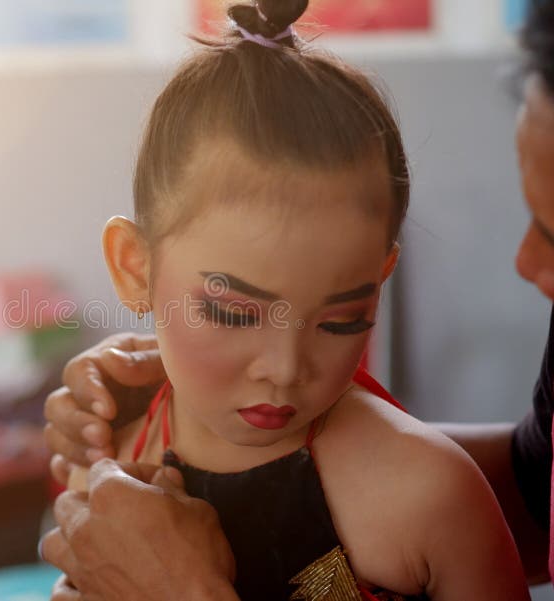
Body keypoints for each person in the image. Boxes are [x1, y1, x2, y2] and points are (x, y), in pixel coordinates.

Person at [40, 1, 531, 599]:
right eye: (231, 313)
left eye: (342, 319)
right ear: (133, 266)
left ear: (381, 278)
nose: (285, 368)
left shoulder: (426, 495)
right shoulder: (115, 459)